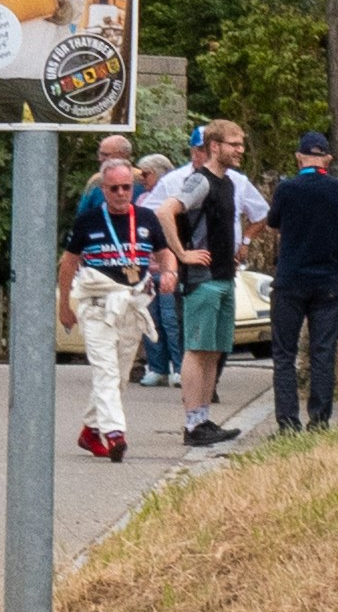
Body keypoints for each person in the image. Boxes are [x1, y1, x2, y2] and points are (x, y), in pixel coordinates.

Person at [66, 138, 160, 457]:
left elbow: (164, 252)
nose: (120, 193)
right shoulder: (88, 218)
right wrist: (67, 304)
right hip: (97, 305)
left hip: (131, 306)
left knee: (118, 375)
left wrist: (172, 270)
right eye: (113, 189)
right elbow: (69, 261)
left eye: (125, 188)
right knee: (105, 370)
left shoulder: (146, 218)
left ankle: (91, 431)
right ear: (103, 190)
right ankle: (115, 434)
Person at [261, 128, 338, 433]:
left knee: (284, 354)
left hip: (290, 280)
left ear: (299, 157)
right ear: (327, 158)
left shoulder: (287, 189)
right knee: (322, 352)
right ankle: (319, 420)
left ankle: (288, 423)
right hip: (328, 281)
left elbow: (273, 225)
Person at [172, 118, 256, 448]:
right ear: (215, 146)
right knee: (197, 349)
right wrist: (183, 254)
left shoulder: (229, 184)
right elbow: (167, 211)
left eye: (241, 144)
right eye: (234, 144)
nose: (240, 150)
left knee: (213, 351)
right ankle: (192, 424)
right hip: (202, 280)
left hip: (224, 276)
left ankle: (203, 420)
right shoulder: (200, 181)